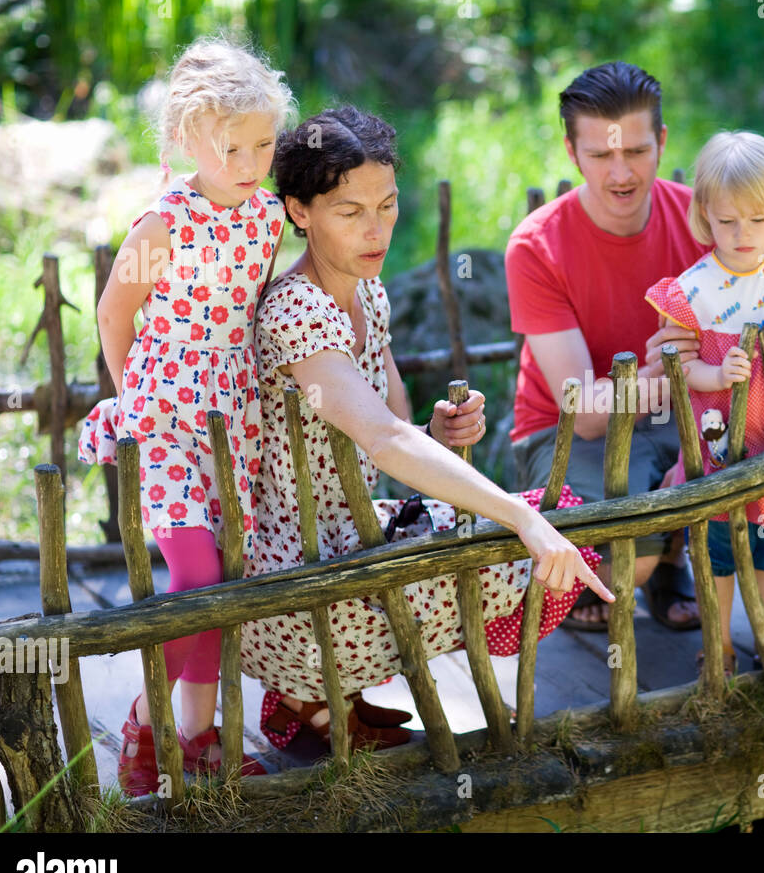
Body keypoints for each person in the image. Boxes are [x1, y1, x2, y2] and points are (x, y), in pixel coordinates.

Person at [241, 106, 612, 752]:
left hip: (354, 532)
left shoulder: (368, 292)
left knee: (559, 522)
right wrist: (523, 519)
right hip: (297, 580)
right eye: (349, 211)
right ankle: (307, 688)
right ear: (300, 211)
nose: (375, 228)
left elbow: (395, 425)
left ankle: (335, 693)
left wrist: (438, 430)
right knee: (521, 540)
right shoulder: (296, 308)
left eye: (386, 206)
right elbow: (384, 440)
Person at [77, 37, 292, 794]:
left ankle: (197, 738)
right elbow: (113, 312)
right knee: (194, 572)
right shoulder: (163, 224)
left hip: (233, 418)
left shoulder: (266, 218)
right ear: (186, 139)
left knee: (225, 582)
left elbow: (250, 308)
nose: (249, 161)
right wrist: (134, 399)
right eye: (232, 147)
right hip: (167, 420)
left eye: (263, 144)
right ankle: (144, 724)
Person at [507, 61, 705, 634]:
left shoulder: (698, 222)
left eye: (637, 152)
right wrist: (661, 370)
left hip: (679, 410)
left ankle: (668, 559)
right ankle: (653, 555)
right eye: (599, 156)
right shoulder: (536, 247)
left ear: (662, 142)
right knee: (620, 571)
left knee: (743, 455)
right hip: (565, 431)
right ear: (573, 153)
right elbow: (586, 416)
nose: (621, 174)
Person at [645, 131, 764, 676]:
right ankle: (719, 643)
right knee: (719, 552)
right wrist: (714, 371)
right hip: (719, 443)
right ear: (705, 215)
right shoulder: (694, 289)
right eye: (727, 222)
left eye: (756, 220)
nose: (742, 234)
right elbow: (681, 368)